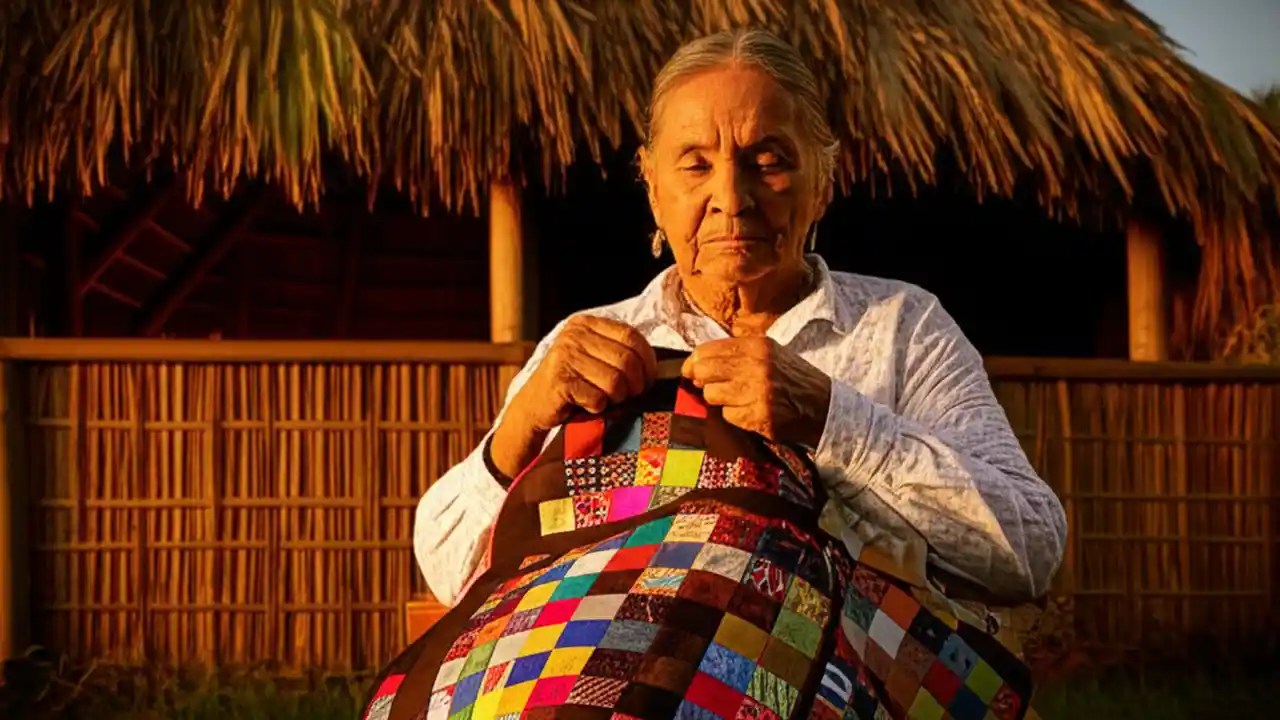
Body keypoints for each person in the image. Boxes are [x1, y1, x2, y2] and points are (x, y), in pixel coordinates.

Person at [414, 27, 1066, 615]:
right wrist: (523, 422)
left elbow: (1029, 551)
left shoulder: (900, 328)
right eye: (696, 165)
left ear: (824, 182)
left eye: (769, 161)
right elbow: (450, 570)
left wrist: (833, 418)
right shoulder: (586, 343)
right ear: (652, 188)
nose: (731, 198)